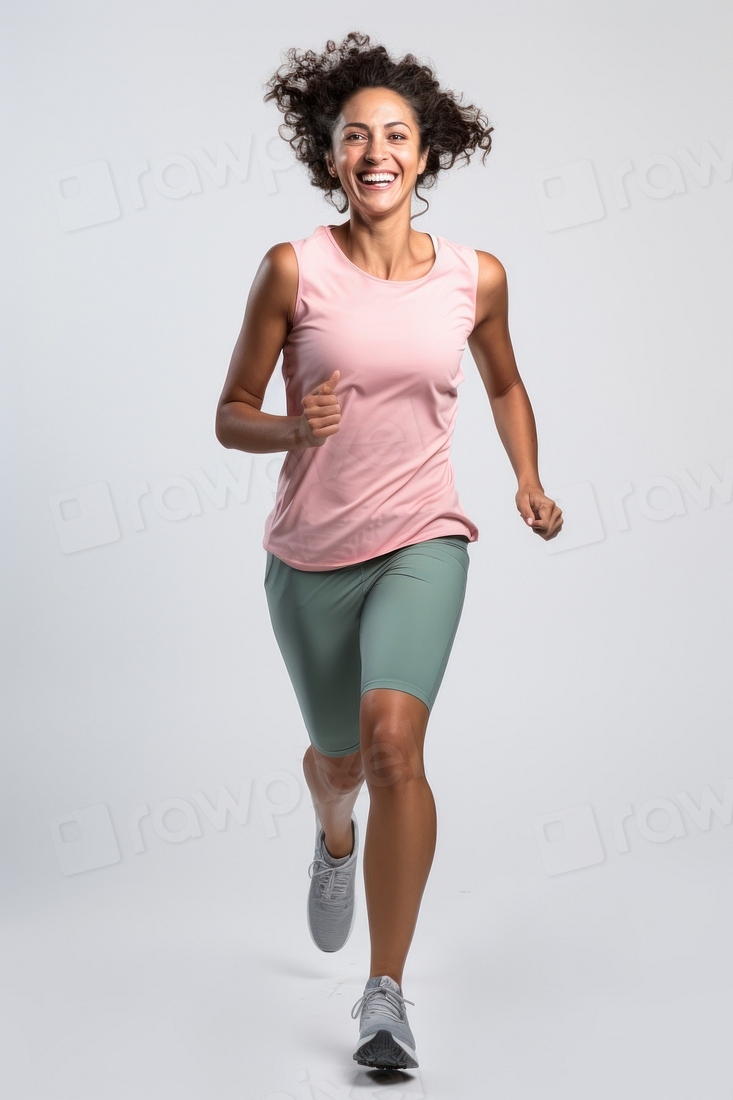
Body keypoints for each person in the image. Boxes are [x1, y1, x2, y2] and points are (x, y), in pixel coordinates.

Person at [215, 31, 563, 1071]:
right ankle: (334, 832)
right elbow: (231, 411)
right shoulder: (292, 268)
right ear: (330, 156)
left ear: (425, 153)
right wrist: (293, 428)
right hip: (308, 558)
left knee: (392, 746)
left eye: (397, 135)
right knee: (339, 762)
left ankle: (384, 994)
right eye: (356, 136)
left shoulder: (473, 277)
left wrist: (527, 476)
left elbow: (504, 381)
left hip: (423, 538)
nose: (377, 151)